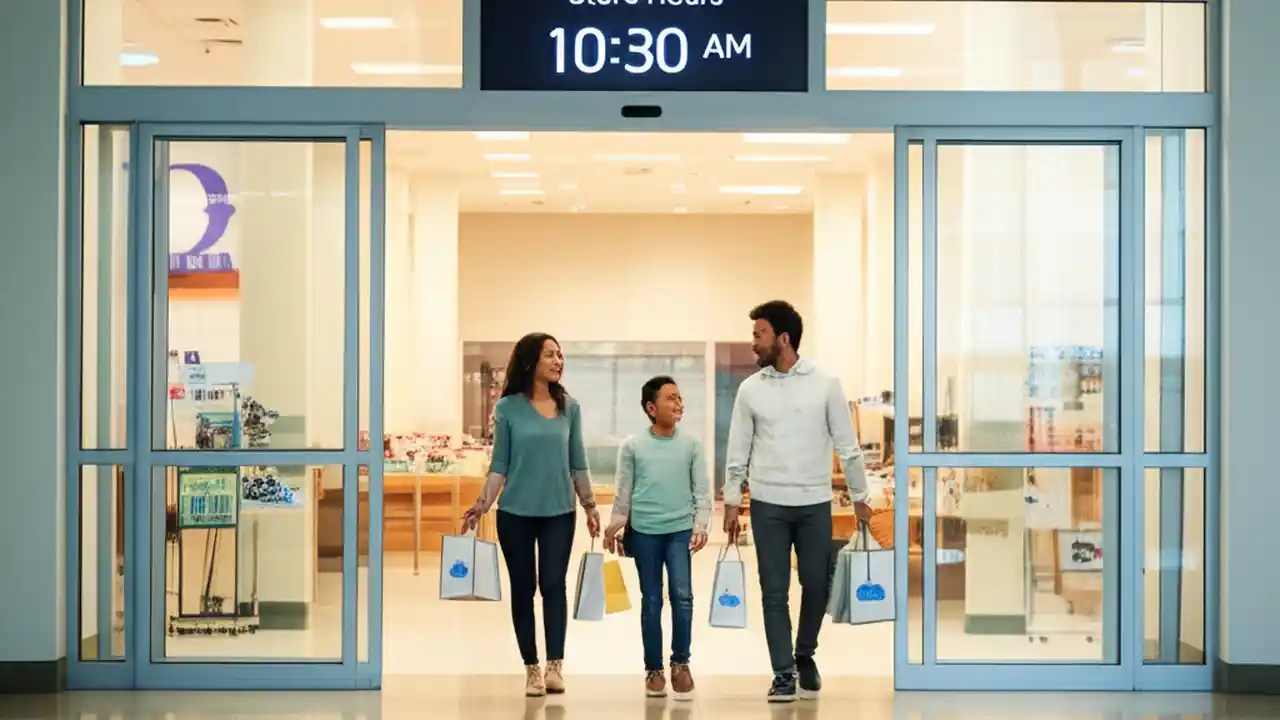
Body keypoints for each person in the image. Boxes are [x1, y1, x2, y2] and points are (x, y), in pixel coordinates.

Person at [722, 300, 871, 703]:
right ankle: (783, 671)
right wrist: (733, 503)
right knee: (774, 590)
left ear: (783, 338)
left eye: (759, 334)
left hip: (814, 503)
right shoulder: (751, 389)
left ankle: (805, 653)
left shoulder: (825, 382)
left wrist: (860, 495)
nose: (753, 343)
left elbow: (848, 445)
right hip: (768, 505)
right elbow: (738, 450)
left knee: (816, 585)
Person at [462, 333, 601, 697]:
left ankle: (556, 666)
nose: (558, 361)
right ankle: (532, 669)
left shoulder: (570, 408)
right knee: (523, 589)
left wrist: (589, 504)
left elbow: (578, 461)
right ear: (530, 362)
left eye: (560, 355)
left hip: (559, 511)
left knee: (553, 585)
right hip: (515, 513)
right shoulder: (507, 408)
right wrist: (482, 504)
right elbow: (500, 464)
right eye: (550, 355)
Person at [603, 376, 711, 700]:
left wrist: (701, 524)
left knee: (682, 595)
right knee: (651, 600)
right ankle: (654, 668)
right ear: (651, 408)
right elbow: (623, 490)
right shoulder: (632, 446)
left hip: (679, 531)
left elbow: (701, 490)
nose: (679, 404)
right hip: (644, 532)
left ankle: (681, 662)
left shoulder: (691, 445)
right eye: (670, 399)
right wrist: (616, 526)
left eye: (680, 397)